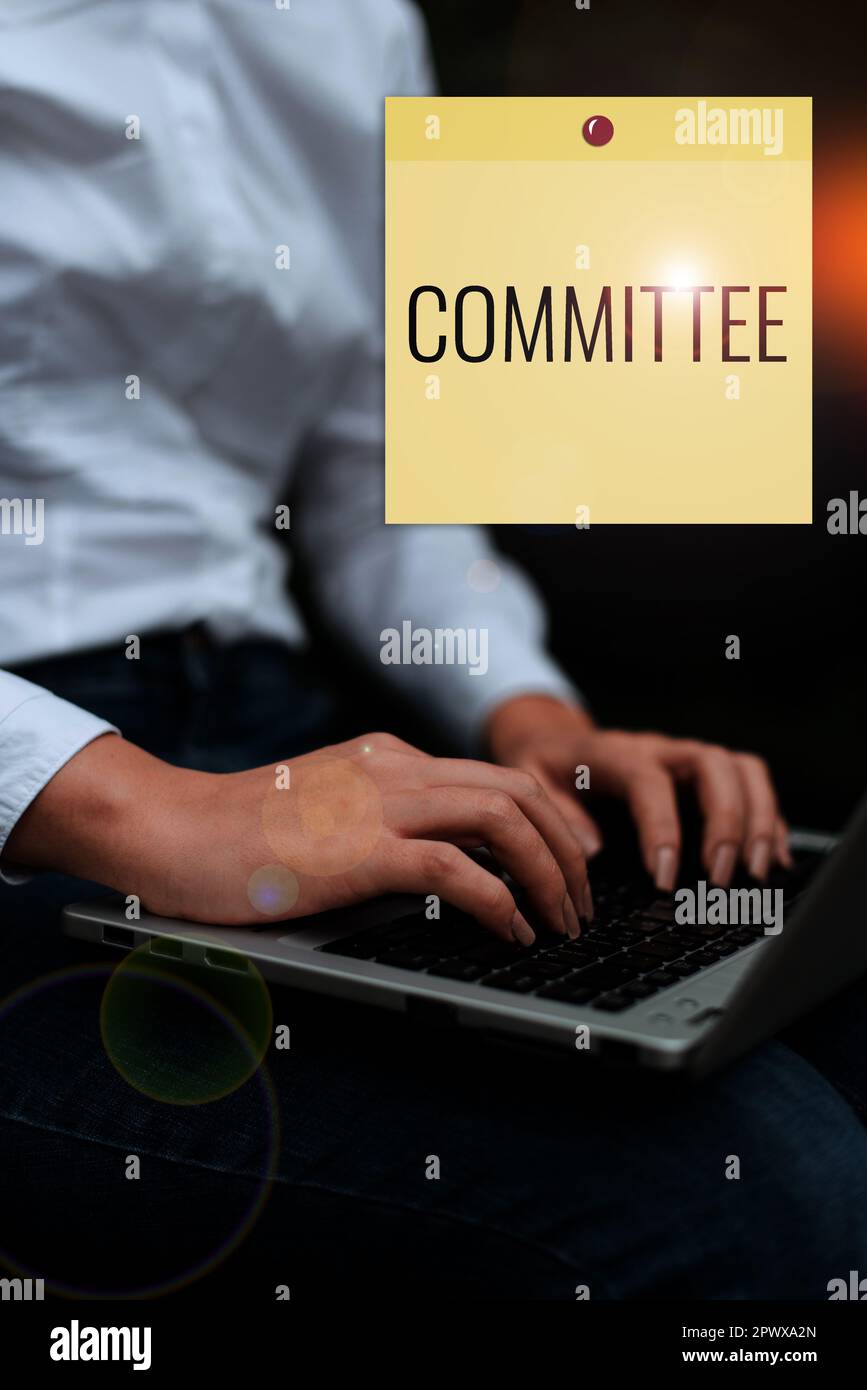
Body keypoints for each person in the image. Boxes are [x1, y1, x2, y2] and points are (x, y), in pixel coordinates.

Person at [1, 0, 865, 1299]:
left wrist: (536, 723)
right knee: (761, 1190)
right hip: (40, 799)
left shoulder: (359, 24)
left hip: (270, 742)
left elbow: (374, 475)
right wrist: (136, 806)